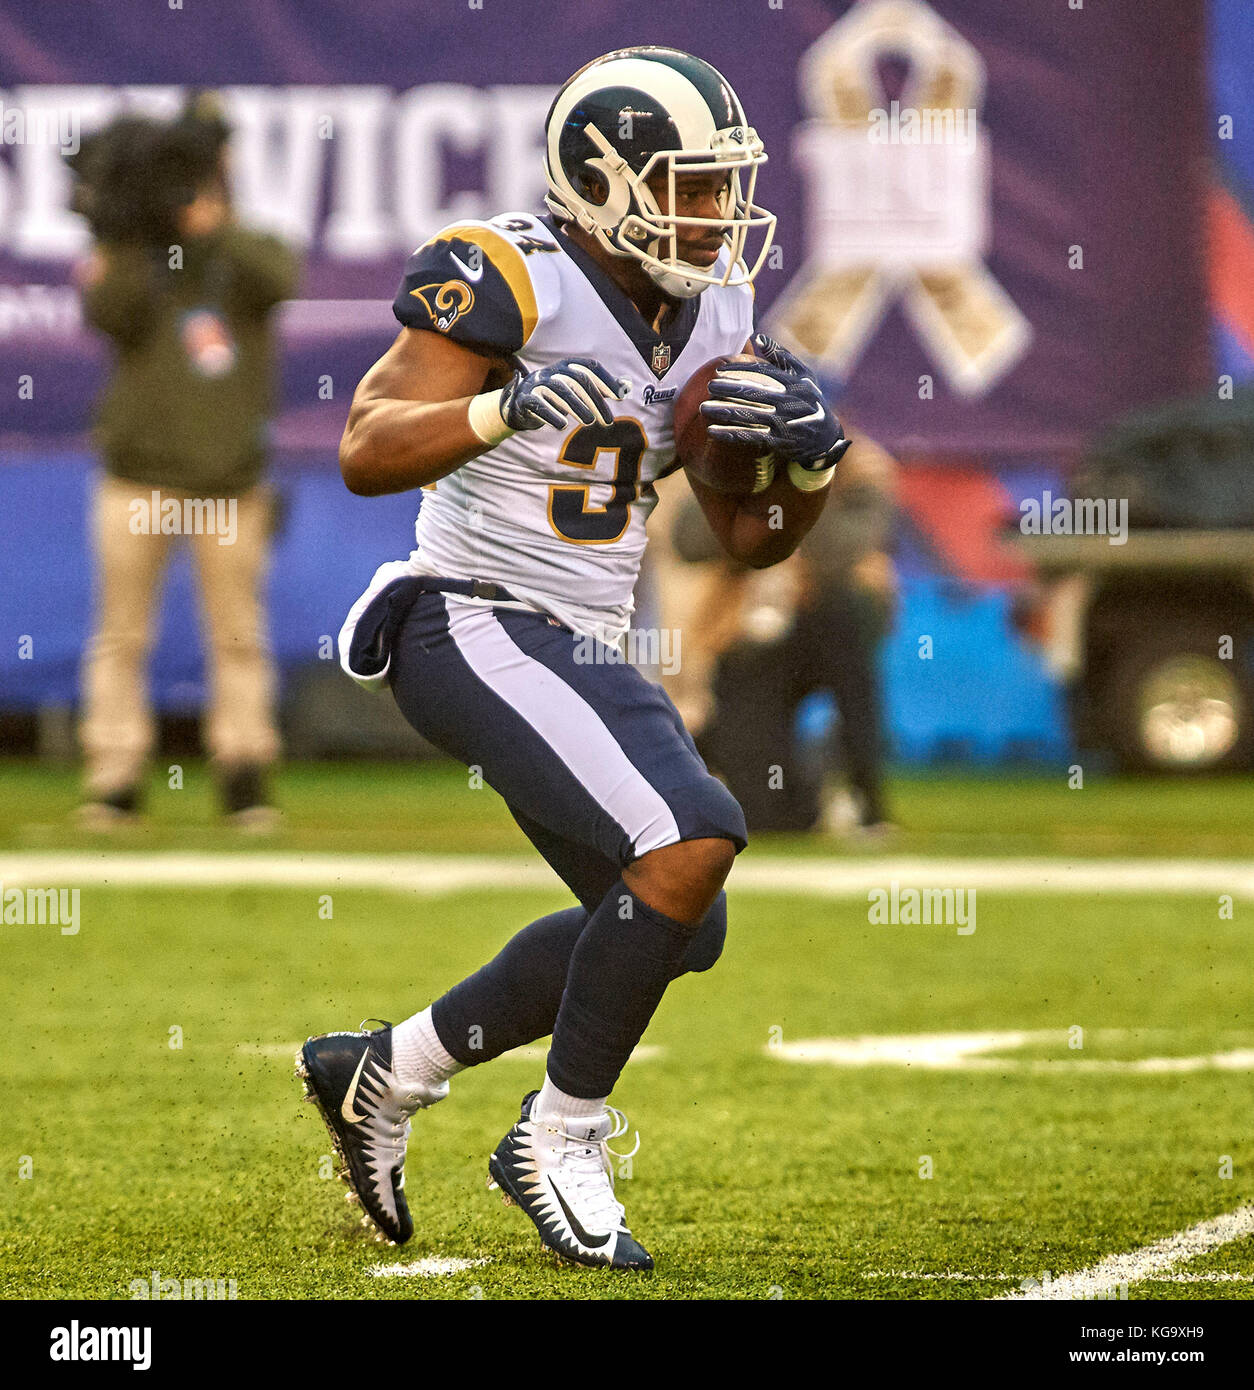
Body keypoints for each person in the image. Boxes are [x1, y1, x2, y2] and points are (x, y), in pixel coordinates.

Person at [297, 47, 850, 1270]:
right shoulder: (506, 269)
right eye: (691, 187)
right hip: (467, 617)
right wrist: (497, 408)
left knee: (671, 917)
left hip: (571, 640)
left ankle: (387, 1070)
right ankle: (560, 1133)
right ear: (603, 179)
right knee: (694, 832)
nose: (716, 214)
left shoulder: (714, 305)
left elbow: (748, 541)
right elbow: (366, 441)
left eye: (722, 187)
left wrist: (806, 470)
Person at [74, 103, 300, 829]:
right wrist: (129, 233)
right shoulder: (134, 256)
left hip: (230, 478)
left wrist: (215, 227)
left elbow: (280, 276)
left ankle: (244, 770)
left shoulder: (244, 252)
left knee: (238, 635)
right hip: (135, 473)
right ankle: (114, 777)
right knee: (120, 633)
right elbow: (109, 313)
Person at [673, 433, 898, 837]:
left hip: (828, 620)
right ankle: (810, 789)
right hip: (755, 637)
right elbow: (687, 541)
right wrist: (757, 487)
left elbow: (844, 550)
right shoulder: (736, 462)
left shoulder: (863, 467)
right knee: (769, 816)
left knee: (851, 647)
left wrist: (804, 483)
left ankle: (865, 797)